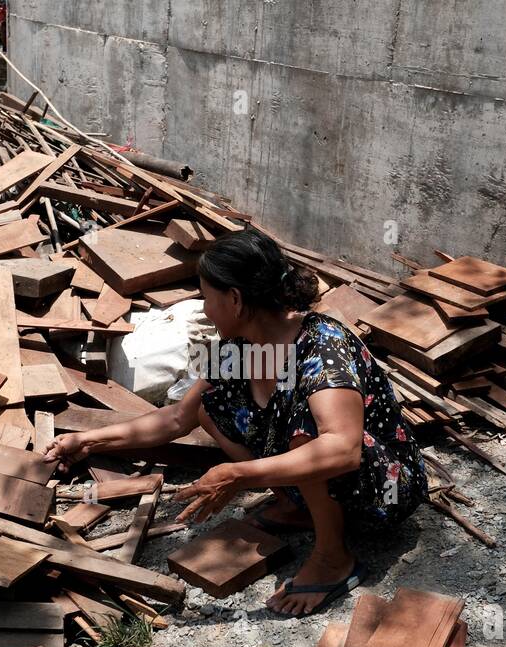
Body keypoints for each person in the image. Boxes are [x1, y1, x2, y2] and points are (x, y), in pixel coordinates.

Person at [43, 228, 427, 616]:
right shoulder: (238, 348)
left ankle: (333, 557)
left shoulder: (321, 347)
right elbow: (177, 418)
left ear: (236, 299)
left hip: (383, 488)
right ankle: (302, 509)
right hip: (331, 478)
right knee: (212, 406)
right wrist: (88, 441)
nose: (204, 308)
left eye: (206, 297)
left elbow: (342, 450)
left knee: (306, 431)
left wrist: (237, 475)